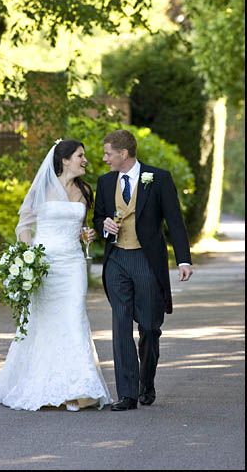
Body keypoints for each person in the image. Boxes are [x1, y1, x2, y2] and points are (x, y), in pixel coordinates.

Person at [0, 139, 113, 411]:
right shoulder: (43, 188)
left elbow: (81, 227)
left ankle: (77, 389)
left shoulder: (84, 190)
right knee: (45, 322)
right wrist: (27, 258)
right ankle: (43, 384)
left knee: (74, 319)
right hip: (45, 264)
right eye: (80, 156)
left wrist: (87, 234)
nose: (85, 160)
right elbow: (24, 224)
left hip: (73, 265)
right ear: (64, 160)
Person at [93, 129, 193, 411]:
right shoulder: (105, 182)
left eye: (108, 153)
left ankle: (146, 382)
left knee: (149, 327)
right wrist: (104, 225)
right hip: (116, 261)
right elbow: (99, 214)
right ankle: (127, 393)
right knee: (121, 324)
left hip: (146, 260)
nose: (104, 159)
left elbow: (174, 220)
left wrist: (183, 259)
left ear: (123, 154)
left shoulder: (158, 178)